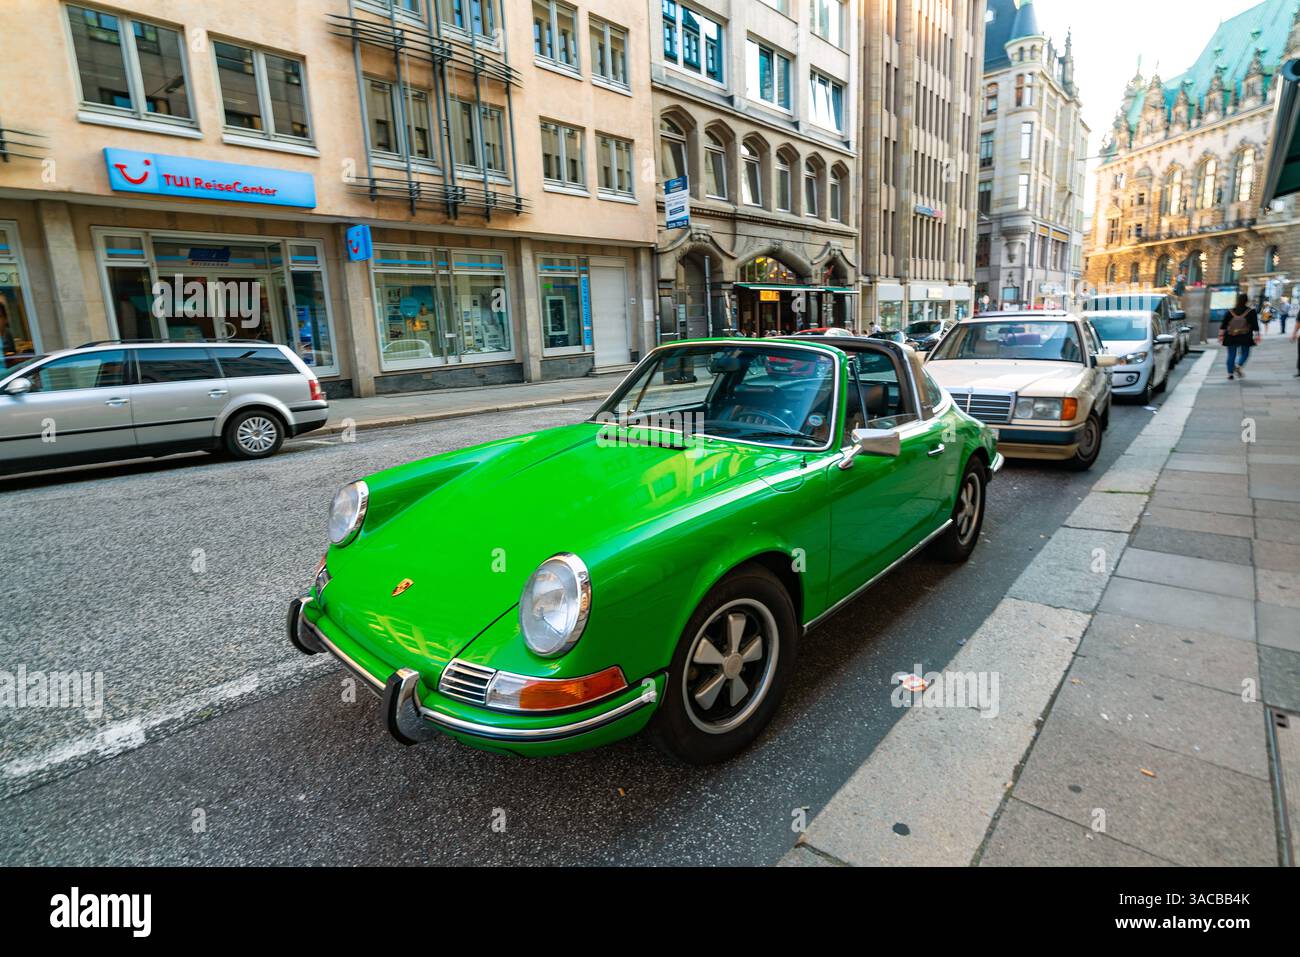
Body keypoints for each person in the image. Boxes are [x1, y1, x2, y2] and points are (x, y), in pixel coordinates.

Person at [1219, 292, 1260, 380]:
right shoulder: (1251, 311)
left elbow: (1223, 325)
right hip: (1245, 335)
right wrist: (1257, 335)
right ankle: (1238, 365)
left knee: (1231, 355)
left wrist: (1221, 335)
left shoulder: (1230, 311)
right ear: (1246, 301)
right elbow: (1255, 325)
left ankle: (1230, 374)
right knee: (1245, 353)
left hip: (1231, 335)